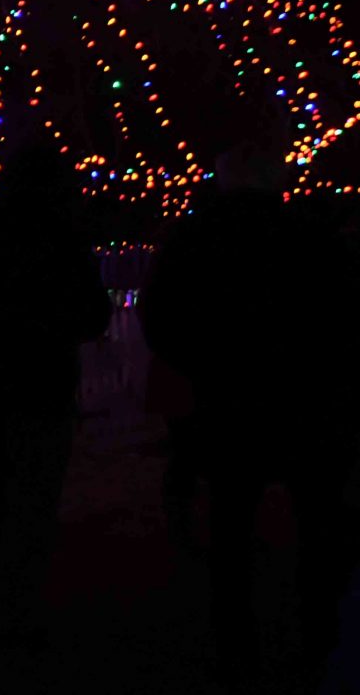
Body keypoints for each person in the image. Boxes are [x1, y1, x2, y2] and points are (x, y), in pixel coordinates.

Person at [141, 139, 356, 673]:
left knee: (231, 523)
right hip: (306, 400)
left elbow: (160, 314)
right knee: (318, 524)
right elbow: (346, 311)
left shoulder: (193, 239)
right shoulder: (311, 235)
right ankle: (318, 634)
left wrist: (198, 365)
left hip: (226, 400)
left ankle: (235, 642)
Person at [0, 141, 113, 646]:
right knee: (34, 493)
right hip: (41, 384)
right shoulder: (59, 235)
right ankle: (23, 601)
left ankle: (1, 592)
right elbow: (92, 313)